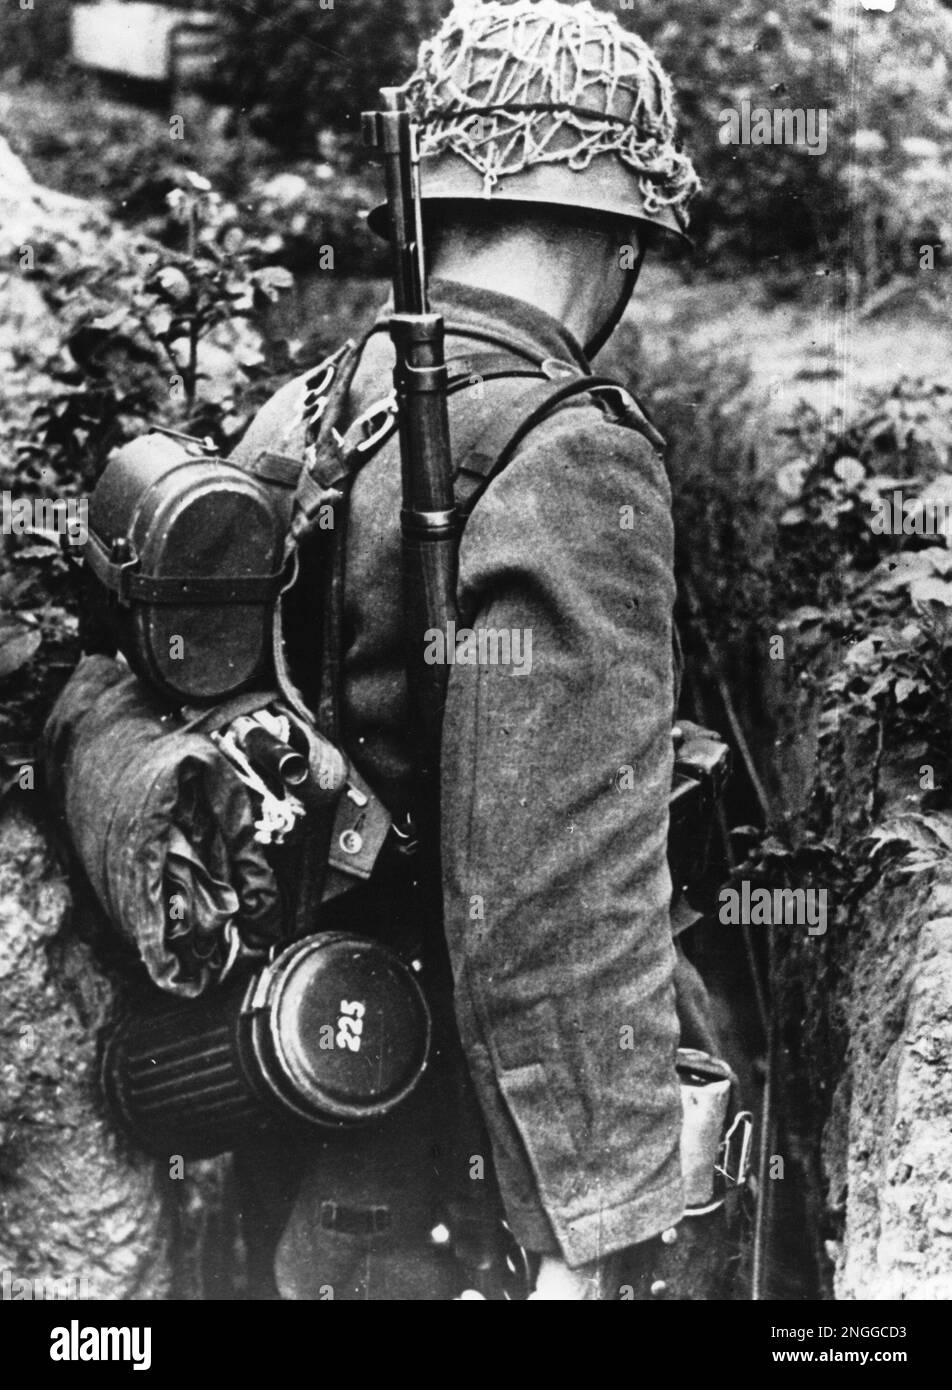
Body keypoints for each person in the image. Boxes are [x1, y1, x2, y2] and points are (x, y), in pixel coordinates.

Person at [226, 0, 722, 1300]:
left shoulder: (308, 409)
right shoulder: (571, 457)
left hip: (297, 1125)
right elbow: (557, 884)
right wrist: (591, 1238)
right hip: (471, 1205)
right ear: (619, 241)